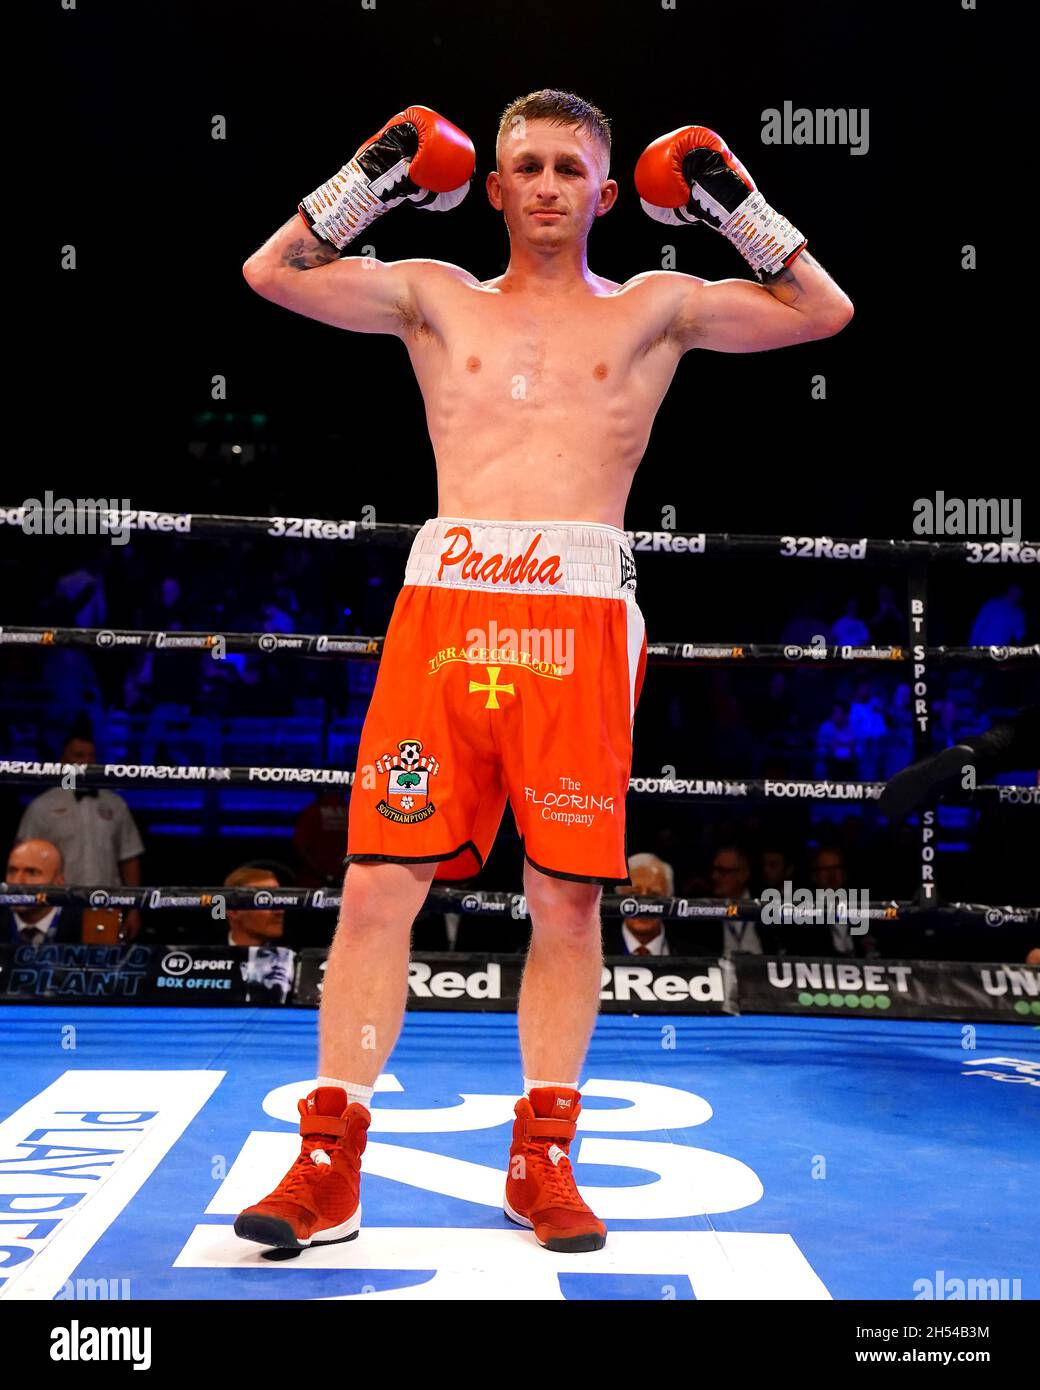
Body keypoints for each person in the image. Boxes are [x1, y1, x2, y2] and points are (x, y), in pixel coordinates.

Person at [236, 90, 852, 1255]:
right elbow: (274, 270)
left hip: (577, 614)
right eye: (525, 165)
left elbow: (819, 310)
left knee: (566, 899)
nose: (547, 186)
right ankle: (329, 1162)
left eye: (570, 167)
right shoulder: (430, 293)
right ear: (494, 183)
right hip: (447, 604)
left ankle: (543, 1162)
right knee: (376, 885)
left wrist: (731, 204)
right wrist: (375, 172)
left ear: (607, 193)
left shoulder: (657, 309)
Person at [16, 729, 144, 939]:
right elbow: (23, 859)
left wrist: (135, 908)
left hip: (106, 904)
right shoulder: (42, 806)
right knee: (56, 968)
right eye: (78, 756)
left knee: (103, 968)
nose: (86, 762)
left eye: (90, 756)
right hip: (57, 907)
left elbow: (129, 858)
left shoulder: (115, 804)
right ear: (63, 760)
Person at [2, 840, 82, 945]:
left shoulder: (85, 923)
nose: (17, 881)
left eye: (32, 873)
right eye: (12, 871)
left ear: (58, 883)